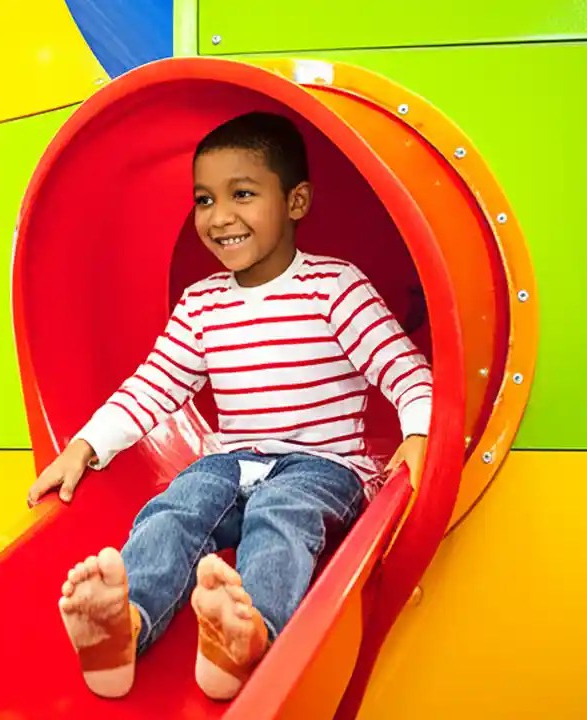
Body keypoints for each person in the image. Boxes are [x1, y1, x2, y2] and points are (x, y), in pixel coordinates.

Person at [26, 112, 432, 700]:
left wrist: (419, 436)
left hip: (322, 466)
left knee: (283, 514)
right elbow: (154, 383)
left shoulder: (334, 288)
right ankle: (125, 625)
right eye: (204, 199)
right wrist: (86, 446)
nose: (219, 217)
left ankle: (251, 633)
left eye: (242, 194)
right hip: (233, 461)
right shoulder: (203, 304)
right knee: (176, 506)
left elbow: (405, 371)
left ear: (296, 201)